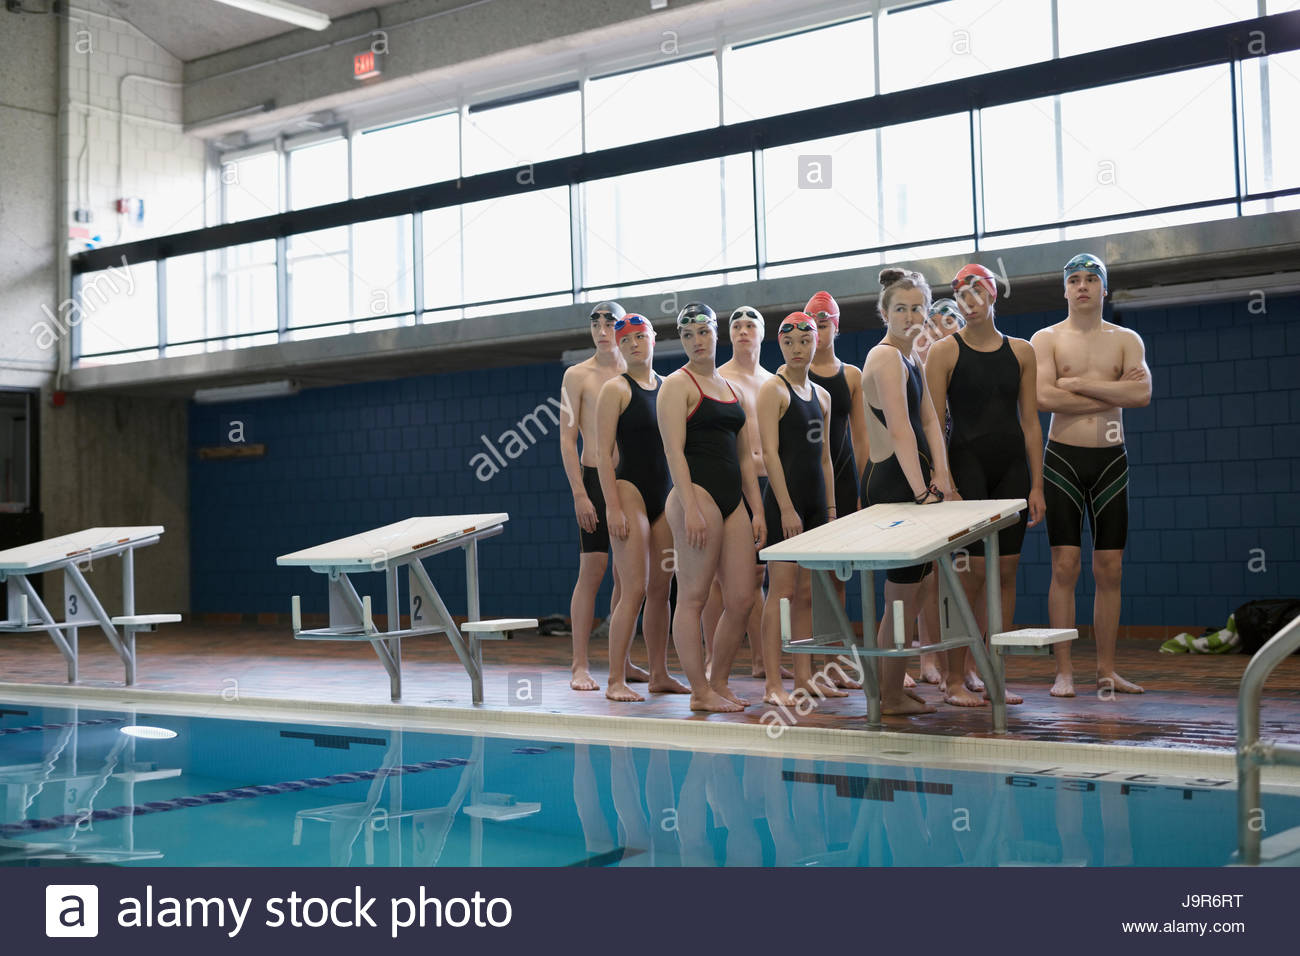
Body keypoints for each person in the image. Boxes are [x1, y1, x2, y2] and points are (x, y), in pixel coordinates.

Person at [1031, 254, 1151, 697]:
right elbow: (1044, 398)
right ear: (1064, 289)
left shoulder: (1126, 339)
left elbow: (1142, 393)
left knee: (1110, 568)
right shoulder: (1046, 338)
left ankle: (1106, 670)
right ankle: (1064, 671)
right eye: (1074, 280)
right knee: (1065, 566)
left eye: (1091, 279)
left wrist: (1079, 385)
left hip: (1110, 462)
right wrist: (1114, 392)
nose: (1082, 286)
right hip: (1062, 459)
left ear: (1104, 288)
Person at [926, 264, 1046, 707]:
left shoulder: (1022, 351)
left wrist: (1037, 485)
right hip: (966, 467)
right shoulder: (943, 352)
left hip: (1012, 469)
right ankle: (955, 676)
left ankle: (992, 672)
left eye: (978, 292)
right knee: (971, 575)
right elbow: (933, 424)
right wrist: (943, 480)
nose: (970, 302)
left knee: (1006, 573)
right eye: (962, 295)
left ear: (993, 296)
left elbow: (1030, 422)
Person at [657, 303, 766, 713]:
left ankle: (719, 681)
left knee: (741, 598)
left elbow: (744, 459)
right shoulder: (676, 385)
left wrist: (757, 510)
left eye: (703, 332)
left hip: (733, 500)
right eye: (687, 335)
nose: (696, 341)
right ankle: (699, 691)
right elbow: (673, 451)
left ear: (716, 334)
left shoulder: (731, 388)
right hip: (695, 495)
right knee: (694, 596)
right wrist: (690, 507)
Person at [860, 268, 955, 716]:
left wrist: (944, 476)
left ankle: (890, 687)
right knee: (900, 598)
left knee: (910, 596)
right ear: (885, 313)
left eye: (918, 308)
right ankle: (889, 695)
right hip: (893, 483)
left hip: (912, 481)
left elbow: (930, 419)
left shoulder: (911, 357)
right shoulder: (883, 357)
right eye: (901, 308)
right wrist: (922, 492)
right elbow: (900, 429)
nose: (910, 316)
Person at [594, 314, 691, 701]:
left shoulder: (669, 387)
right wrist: (612, 508)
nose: (634, 345)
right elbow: (602, 454)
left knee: (661, 589)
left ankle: (659, 673)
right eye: (626, 340)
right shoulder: (615, 389)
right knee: (632, 588)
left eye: (640, 337)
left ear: (653, 339)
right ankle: (615, 679)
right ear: (619, 347)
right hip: (628, 492)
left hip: (663, 497)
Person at [756, 314, 835, 705]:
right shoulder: (774, 389)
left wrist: (831, 510)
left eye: (805, 341)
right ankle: (773, 683)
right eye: (789, 343)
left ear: (816, 342)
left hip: (816, 504)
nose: (797, 349)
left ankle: (804, 676)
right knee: (781, 592)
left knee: (807, 594)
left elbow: (825, 459)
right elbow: (770, 454)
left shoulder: (823, 396)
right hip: (783, 504)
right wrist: (786, 508)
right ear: (781, 345)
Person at [560, 301, 633, 691]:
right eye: (596, 324)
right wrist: (579, 494)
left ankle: (623, 663)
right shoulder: (577, 375)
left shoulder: (634, 370)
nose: (603, 331)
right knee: (593, 571)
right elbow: (567, 439)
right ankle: (579, 665)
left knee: (628, 575)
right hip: (593, 481)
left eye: (611, 323)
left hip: (631, 482)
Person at [702, 306, 777, 680]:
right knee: (721, 580)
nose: (743, 330)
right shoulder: (719, 379)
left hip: (768, 481)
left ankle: (762, 659)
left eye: (751, 325)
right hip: (731, 484)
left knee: (759, 576)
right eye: (736, 325)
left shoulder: (773, 381)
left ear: (763, 333)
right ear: (728, 335)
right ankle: (713, 658)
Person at [806, 291, 869, 691]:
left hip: (843, 482)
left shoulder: (852, 376)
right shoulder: (791, 374)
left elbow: (861, 439)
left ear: (836, 325)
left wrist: (864, 491)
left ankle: (832, 664)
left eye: (826, 321)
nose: (820, 328)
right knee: (807, 583)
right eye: (814, 322)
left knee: (837, 578)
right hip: (807, 482)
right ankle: (810, 667)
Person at [910, 297, 965, 685]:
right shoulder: (915, 369)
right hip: (927, 476)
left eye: (949, 326)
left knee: (959, 572)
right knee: (928, 572)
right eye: (934, 327)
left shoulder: (963, 369)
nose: (940, 334)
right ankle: (929, 655)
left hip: (962, 472)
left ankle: (958, 659)